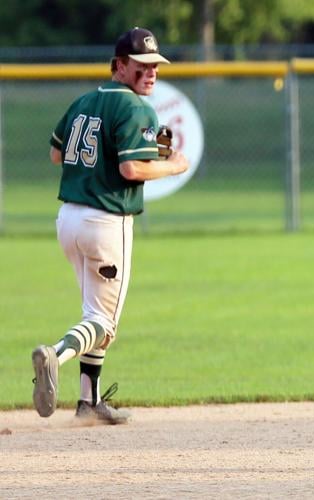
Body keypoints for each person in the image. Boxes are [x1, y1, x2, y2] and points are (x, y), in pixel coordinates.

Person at [31, 27, 189, 424]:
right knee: (103, 321)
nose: (151, 72)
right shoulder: (137, 108)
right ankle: (55, 354)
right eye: (142, 65)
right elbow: (131, 168)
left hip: (68, 220)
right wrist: (172, 165)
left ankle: (89, 403)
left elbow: (55, 154)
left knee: (93, 313)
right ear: (119, 66)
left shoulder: (84, 100)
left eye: (155, 66)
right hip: (105, 221)